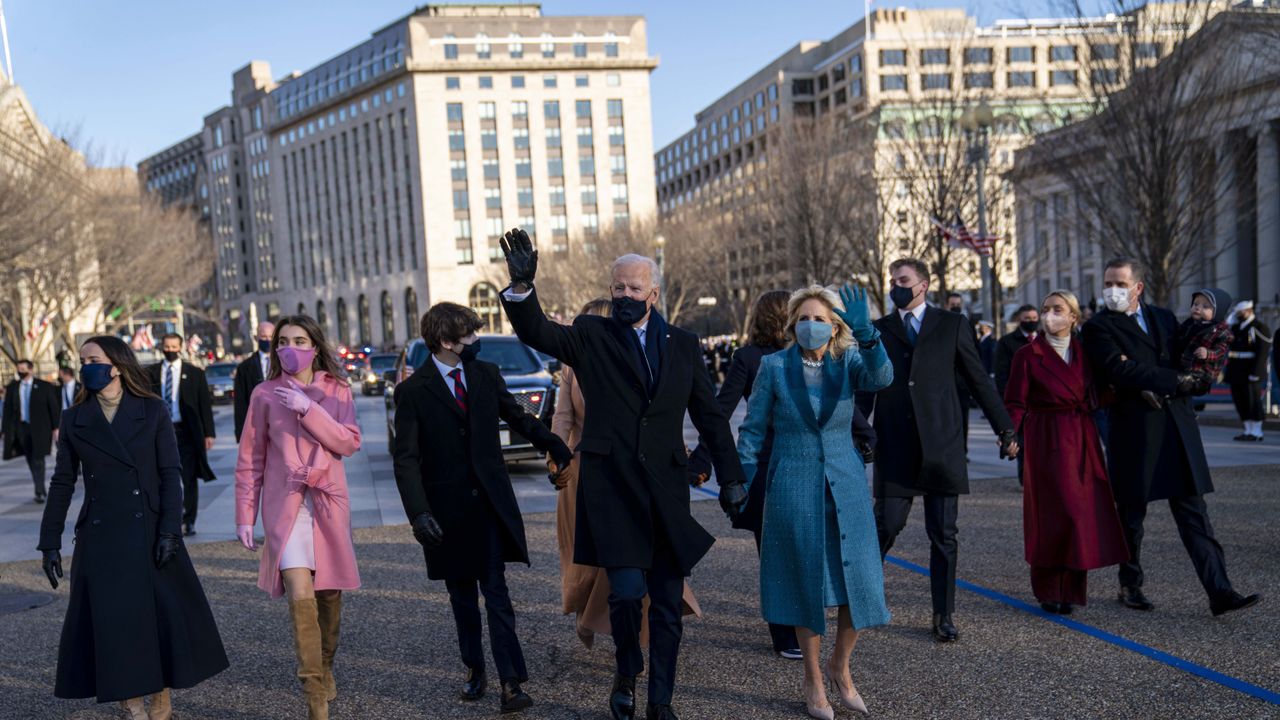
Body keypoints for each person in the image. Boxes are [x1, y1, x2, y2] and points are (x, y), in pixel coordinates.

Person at [498, 228, 748, 720]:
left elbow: (710, 416)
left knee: (669, 603)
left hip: (665, 491)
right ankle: (625, 670)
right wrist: (524, 289)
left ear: (653, 294)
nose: (626, 296)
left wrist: (730, 473)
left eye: (635, 289)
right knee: (628, 595)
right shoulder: (592, 336)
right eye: (619, 289)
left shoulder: (682, 344)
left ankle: (661, 701)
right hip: (612, 488)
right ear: (611, 291)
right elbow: (538, 334)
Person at [392, 302, 574, 714]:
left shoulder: (485, 374)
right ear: (446, 342)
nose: (477, 341)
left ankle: (512, 681)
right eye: (470, 336)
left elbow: (519, 417)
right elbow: (405, 459)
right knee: (462, 599)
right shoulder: (414, 391)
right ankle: (474, 669)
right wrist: (419, 513)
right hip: (446, 515)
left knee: (497, 594)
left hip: (489, 507)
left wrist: (555, 444)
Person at [38, 335, 228, 718]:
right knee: (115, 626)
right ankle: (133, 707)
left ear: (118, 364)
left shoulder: (153, 410)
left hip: (151, 532)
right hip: (101, 537)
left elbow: (169, 473)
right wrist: (49, 541)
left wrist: (171, 531)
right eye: (82, 360)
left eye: (93, 359)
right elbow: (62, 482)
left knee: (159, 623)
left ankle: (159, 700)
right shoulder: (74, 418)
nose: (85, 367)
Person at [737, 285, 892, 719]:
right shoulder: (772, 366)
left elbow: (883, 379)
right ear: (791, 324)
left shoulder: (849, 362)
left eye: (821, 318)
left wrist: (870, 336)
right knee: (806, 580)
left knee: (858, 580)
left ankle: (840, 668)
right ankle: (813, 678)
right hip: (792, 483)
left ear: (836, 325)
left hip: (846, 483)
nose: (811, 325)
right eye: (804, 318)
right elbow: (751, 430)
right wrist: (744, 478)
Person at [1081, 258, 1260, 616]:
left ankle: (1219, 590)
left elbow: (1189, 357)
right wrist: (1171, 382)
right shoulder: (1098, 326)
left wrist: (1201, 373)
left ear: (1138, 287)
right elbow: (1119, 368)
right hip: (1135, 428)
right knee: (1131, 514)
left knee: (1195, 514)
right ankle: (1130, 582)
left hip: (1177, 427)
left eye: (1119, 283)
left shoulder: (1164, 317)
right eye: (1107, 283)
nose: (1111, 290)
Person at [855, 257, 1019, 643]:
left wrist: (1005, 427)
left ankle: (943, 614)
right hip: (895, 445)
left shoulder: (951, 325)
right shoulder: (879, 331)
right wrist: (858, 432)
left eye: (903, 279)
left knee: (943, 534)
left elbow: (979, 380)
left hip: (942, 446)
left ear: (924, 285)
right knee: (885, 526)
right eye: (892, 280)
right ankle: (861, 600)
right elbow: (865, 388)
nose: (896, 285)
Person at [553, 298, 703, 652]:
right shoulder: (573, 364)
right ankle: (587, 615)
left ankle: (638, 638)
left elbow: (661, 414)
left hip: (639, 471)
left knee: (639, 560)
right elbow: (563, 416)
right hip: (585, 470)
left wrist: (682, 454)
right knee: (589, 563)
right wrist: (556, 457)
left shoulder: (638, 359)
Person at [235, 315, 362, 720]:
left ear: (315, 345)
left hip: (327, 502)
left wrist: (309, 409)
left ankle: (325, 665)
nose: (291, 347)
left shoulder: (337, 389)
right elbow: (250, 460)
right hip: (284, 505)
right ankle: (314, 696)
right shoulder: (263, 393)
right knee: (300, 593)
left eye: (300, 339)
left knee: (328, 595)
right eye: (284, 341)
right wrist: (245, 514)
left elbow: (348, 442)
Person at [688, 290, 802, 659]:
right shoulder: (749, 358)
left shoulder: (807, 354)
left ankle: (793, 629)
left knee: (788, 552)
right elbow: (720, 412)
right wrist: (704, 459)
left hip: (800, 463)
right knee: (776, 553)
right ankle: (784, 633)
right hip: (768, 465)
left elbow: (719, 412)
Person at [1003, 291, 1128, 614]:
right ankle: (1047, 589)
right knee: (1050, 515)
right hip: (1046, 438)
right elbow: (1015, 402)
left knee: (1079, 515)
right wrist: (1010, 435)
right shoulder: (1027, 355)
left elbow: (1100, 393)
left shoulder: (1087, 353)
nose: (1048, 315)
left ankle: (1071, 590)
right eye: (1045, 309)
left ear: (1073, 316)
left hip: (1082, 436)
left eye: (1057, 310)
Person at [147, 334, 216, 536]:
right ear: (162, 347)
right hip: (160, 432)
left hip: (186, 431)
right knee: (163, 477)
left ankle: (189, 519)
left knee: (188, 477)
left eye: (174, 347)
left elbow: (204, 404)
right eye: (167, 347)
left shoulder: (194, 373)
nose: (170, 350)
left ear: (180, 348)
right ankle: (168, 517)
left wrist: (208, 433)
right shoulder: (151, 373)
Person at [1163, 289, 1234, 411]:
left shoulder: (1220, 332)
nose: (1197, 308)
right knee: (1168, 376)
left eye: (1205, 306)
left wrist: (1207, 353)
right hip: (1184, 368)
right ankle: (1161, 396)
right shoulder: (1190, 324)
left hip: (1200, 375)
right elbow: (1177, 337)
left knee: (1174, 381)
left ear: (1217, 312)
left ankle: (1158, 395)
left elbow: (1220, 351)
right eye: (1195, 304)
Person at [3, 359, 59, 503]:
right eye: (18, 368)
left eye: (23, 368)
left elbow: (53, 408)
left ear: (31, 369)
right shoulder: (13, 387)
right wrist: (5, 430)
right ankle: (39, 487)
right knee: (30, 458)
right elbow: (7, 410)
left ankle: (39, 491)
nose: (20, 371)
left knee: (38, 458)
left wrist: (56, 427)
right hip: (21, 428)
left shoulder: (44, 386)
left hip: (40, 429)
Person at [1225, 301, 1272, 442]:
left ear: (1249, 311)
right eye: (1237, 313)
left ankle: (1257, 432)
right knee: (1240, 401)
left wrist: (1256, 372)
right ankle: (1248, 430)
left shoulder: (1258, 327)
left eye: (1240, 312)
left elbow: (1262, 351)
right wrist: (1230, 321)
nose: (1238, 315)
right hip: (1236, 370)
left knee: (1253, 402)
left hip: (1250, 370)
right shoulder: (1237, 328)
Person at [235, 321, 276, 442]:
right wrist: (240, 433)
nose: (267, 340)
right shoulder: (244, 367)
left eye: (271, 337)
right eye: (263, 336)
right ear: (256, 337)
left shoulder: (285, 362)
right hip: (255, 425)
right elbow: (240, 402)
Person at [996, 305, 1040, 396]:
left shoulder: (1045, 339)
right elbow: (1002, 372)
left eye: (1034, 318)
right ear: (1019, 319)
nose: (1032, 321)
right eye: (1027, 318)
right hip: (1019, 394)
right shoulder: (1006, 342)